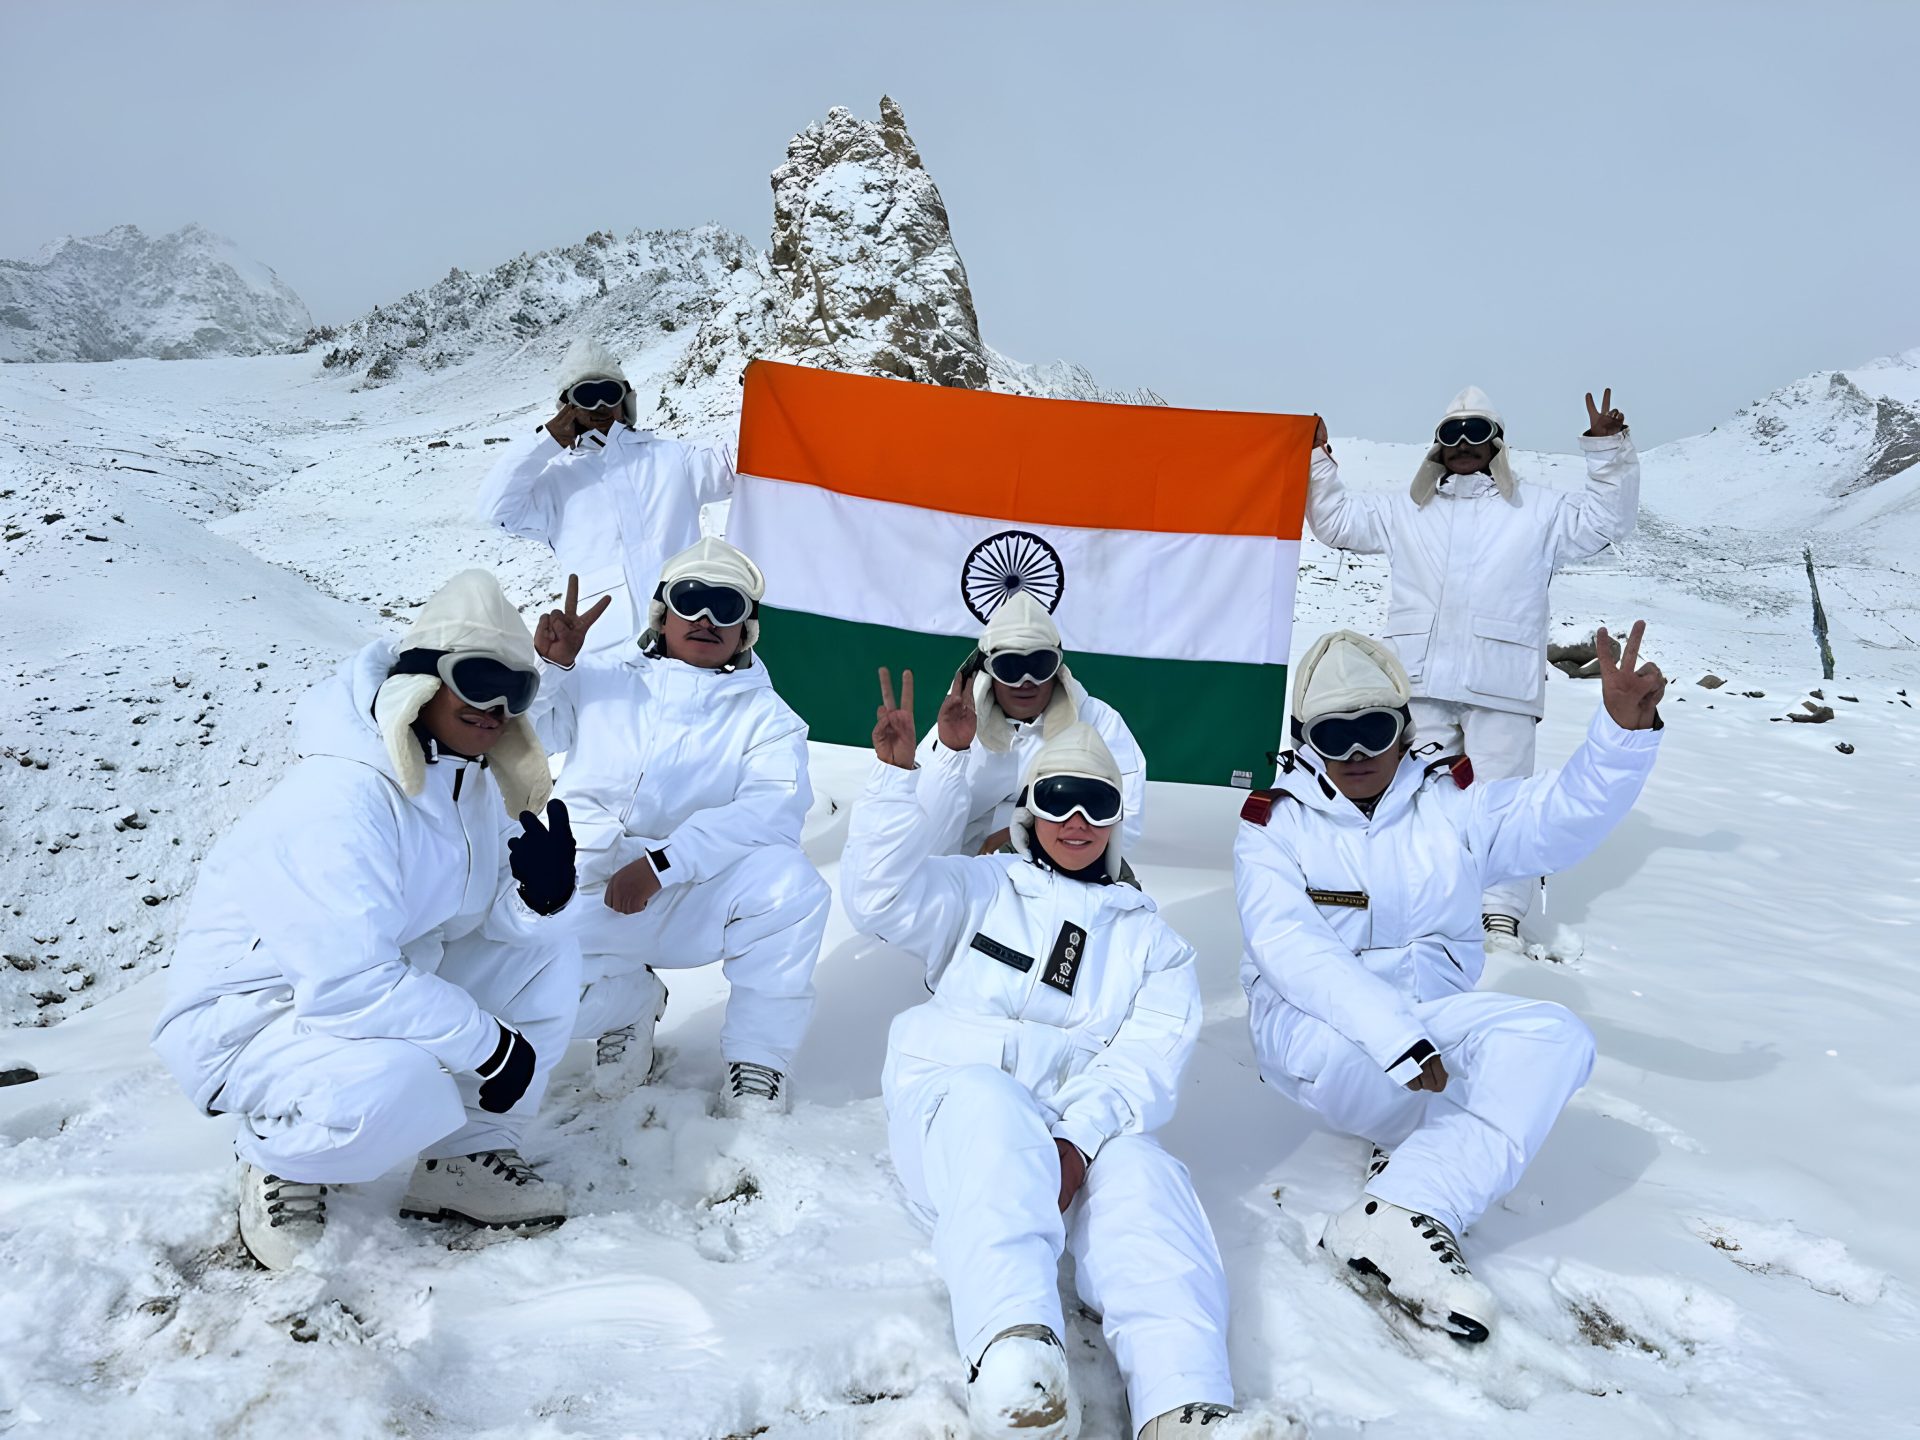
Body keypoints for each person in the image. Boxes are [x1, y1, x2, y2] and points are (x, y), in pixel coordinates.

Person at [1234, 623, 1665, 1341]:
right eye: (1334, 737)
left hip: (1433, 1020)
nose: (1360, 752)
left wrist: (1620, 735)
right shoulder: (1276, 827)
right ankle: (1422, 1150)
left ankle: (1400, 1207)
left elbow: (1554, 820)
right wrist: (1396, 1036)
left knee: (1556, 1038)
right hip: (1321, 1033)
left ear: (1404, 727)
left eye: (1375, 727)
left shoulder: (1453, 805)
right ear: (1306, 738)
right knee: (1460, 1092)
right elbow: (1292, 949)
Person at [844, 671, 1240, 1440]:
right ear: (1029, 810)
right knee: (993, 1109)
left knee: (1147, 1173)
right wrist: (900, 782)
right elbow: (880, 900)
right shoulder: (981, 888)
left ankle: (1185, 1401)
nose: (1077, 819)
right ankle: (1018, 1367)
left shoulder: (1154, 944)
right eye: (1057, 798)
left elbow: (1145, 1064)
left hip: (1073, 1132)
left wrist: (1077, 1139)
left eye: (1098, 802)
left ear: (1120, 818)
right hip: (956, 1114)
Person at [151, 571, 584, 1271]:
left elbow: (470, 922)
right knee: (404, 1084)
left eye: (518, 691)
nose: (497, 707)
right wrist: (487, 1045)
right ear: (419, 681)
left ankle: (460, 1158)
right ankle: (279, 1161)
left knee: (550, 955)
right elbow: (350, 982)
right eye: (478, 680)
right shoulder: (340, 797)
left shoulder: (462, 779)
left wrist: (535, 896)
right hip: (252, 1019)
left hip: (376, 985)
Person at [1304, 388, 1639, 946]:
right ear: (1437, 444)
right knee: (1415, 795)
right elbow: (1337, 523)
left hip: (1501, 682)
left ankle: (1498, 912)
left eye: (1476, 432)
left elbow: (1607, 522)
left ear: (1496, 443)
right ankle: (1423, 899)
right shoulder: (1403, 510)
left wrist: (1609, 451)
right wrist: (1318, 459)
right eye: (1452, 432)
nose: (1464, 444)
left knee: (1501, 800)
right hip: (1420, 679)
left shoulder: (1539, 510)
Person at [530, 537, 829, 1116]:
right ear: (662, 615)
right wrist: (550, 668)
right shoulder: (597, 679)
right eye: (691, 599)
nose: (707, 619)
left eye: (727, 606)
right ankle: (628, 1002)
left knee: (791, 887)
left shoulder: (767, 717)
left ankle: (760, 1061)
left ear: (747, 630)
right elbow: (522, 738)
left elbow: (771, 813)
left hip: (686, 894)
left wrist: (663, 864)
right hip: (576, 887)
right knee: (512, 984)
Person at [476, 335, 736, 656]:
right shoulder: (556, 483)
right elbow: (495, 509)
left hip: (684, 637)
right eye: (587, 395)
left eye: (608, 394)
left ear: (624, 401)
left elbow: (738, 462)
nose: (599, 406)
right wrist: (546, 441)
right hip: (605, 654)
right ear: (567, 408)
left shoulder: (672, 458)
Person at [914, 591, 1147, 860]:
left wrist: (1026, 839)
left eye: (1040, 665)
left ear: (1057, 668)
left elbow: (1125, 820)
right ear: (989, 671)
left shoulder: (1098, 724)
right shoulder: (960, 726)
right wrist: (950, 752)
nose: (1026, 681)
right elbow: (922, 831)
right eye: (1010, 667)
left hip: (1056, 873)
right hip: (963, 874)